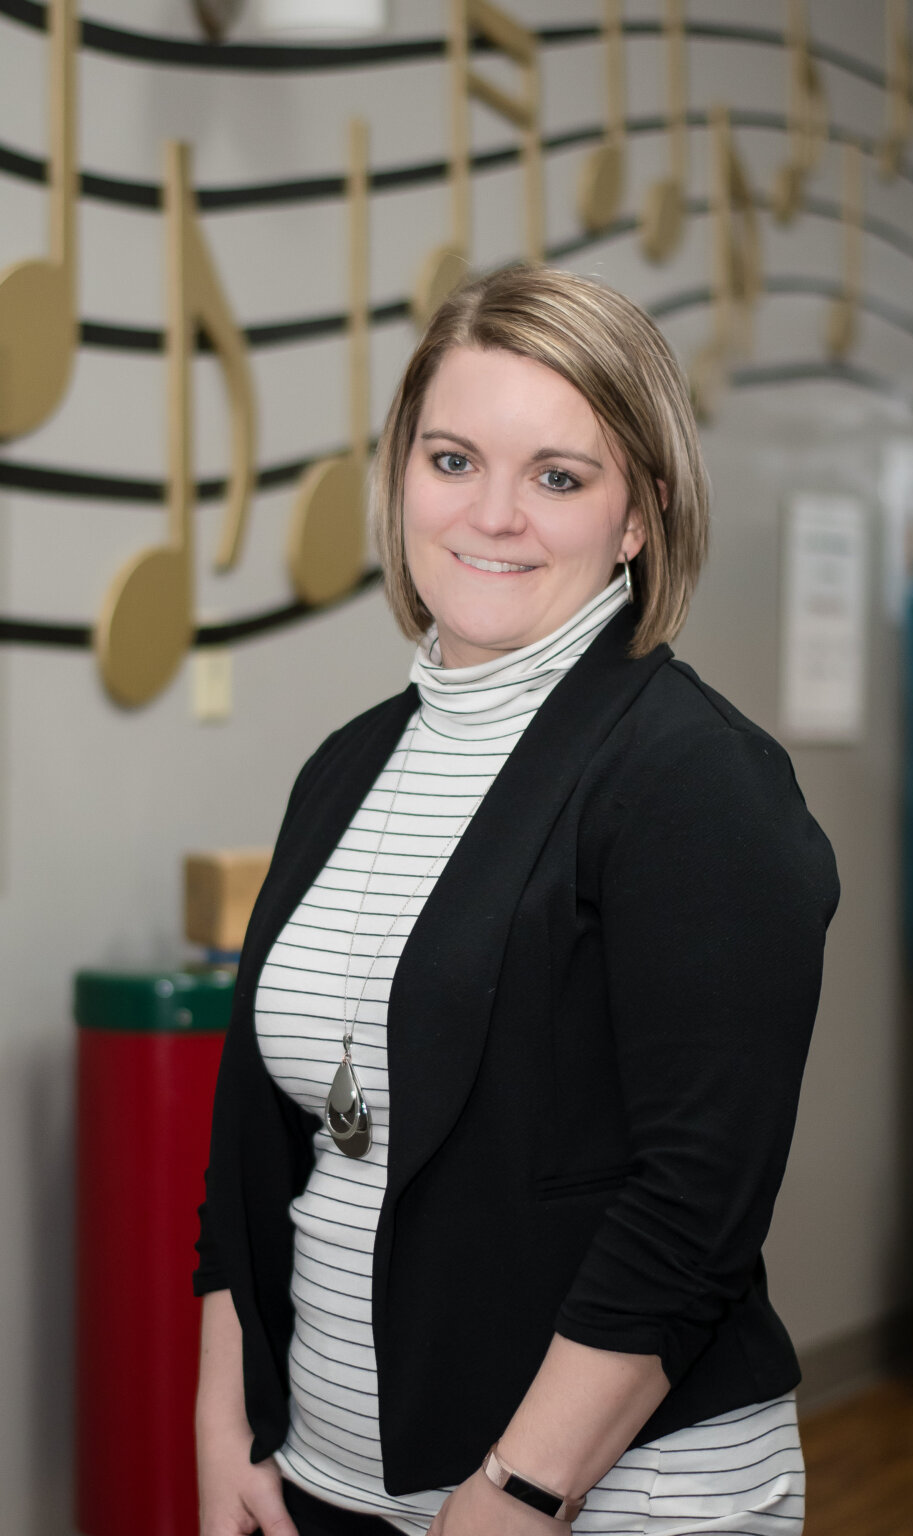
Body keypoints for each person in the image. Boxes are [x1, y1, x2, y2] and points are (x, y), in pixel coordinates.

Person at [194, 264, 840, 1536]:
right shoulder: (348, 766)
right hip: (322, 1477)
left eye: (558, 475)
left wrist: (521, 1491)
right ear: (400, 475)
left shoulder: (693, 779)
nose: (492, 516)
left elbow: (693, 1206)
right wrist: (229, 1425)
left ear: (640, 516)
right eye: (452, 460)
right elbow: (256, 1147)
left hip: (604, 1494)